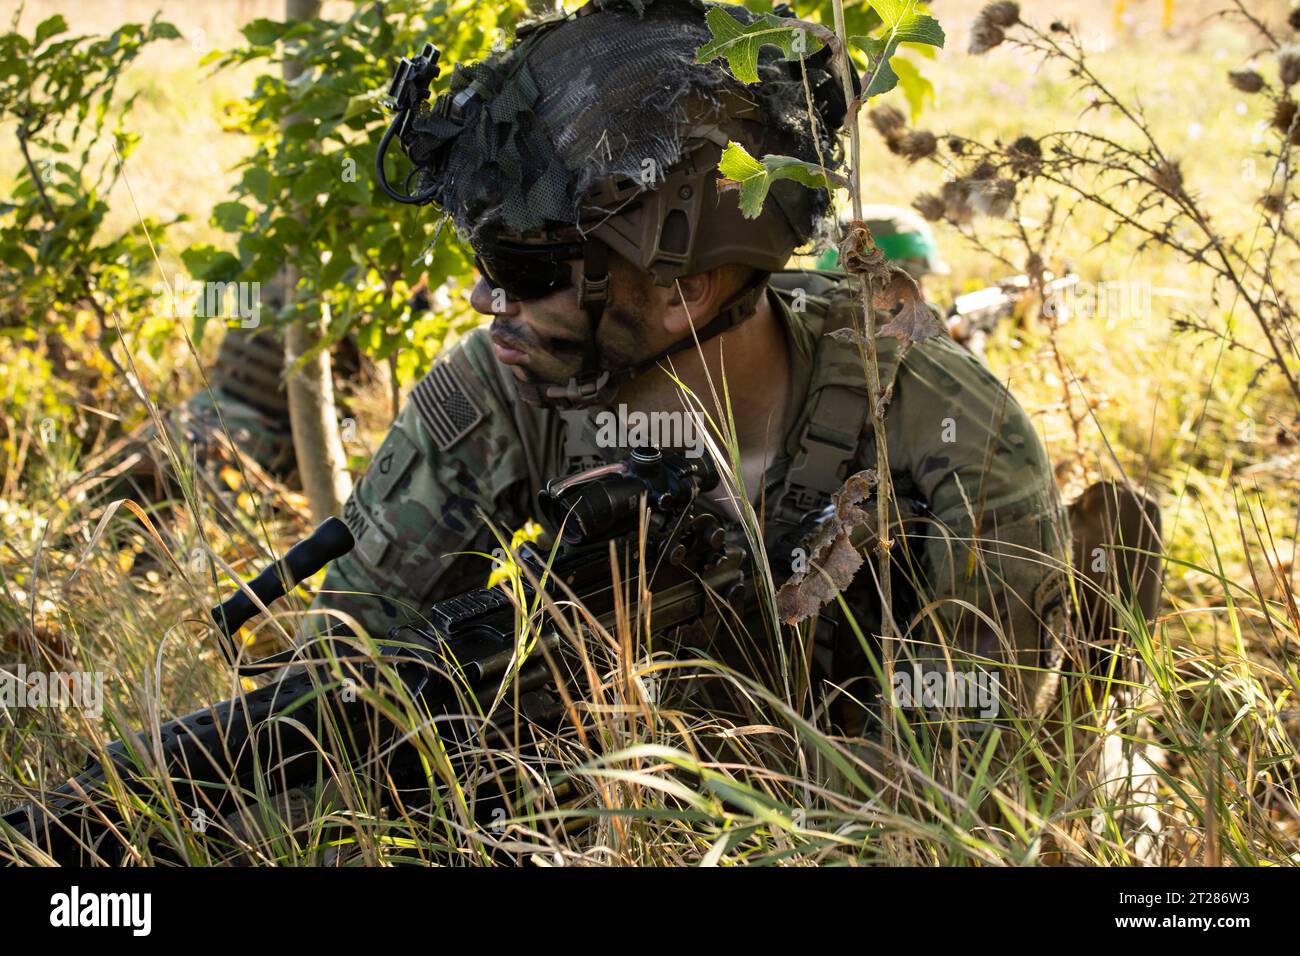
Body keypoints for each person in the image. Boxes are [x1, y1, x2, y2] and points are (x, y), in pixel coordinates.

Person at [309, 0, 1072, 733]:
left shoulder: (940, 421)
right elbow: (337, 685)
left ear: (682, 291)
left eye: (524, 269)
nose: (485, 298)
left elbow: (969, 767)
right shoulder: (501, 387)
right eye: (482, 260)